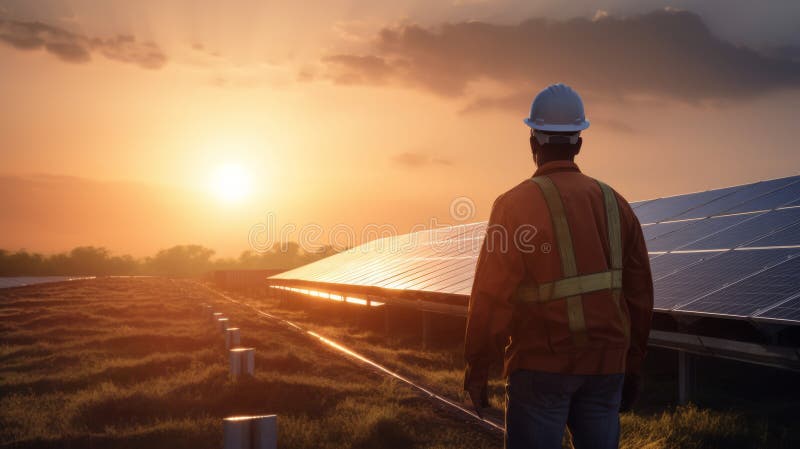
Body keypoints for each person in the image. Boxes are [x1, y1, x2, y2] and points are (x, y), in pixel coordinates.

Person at [463, 83, 654, 449]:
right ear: (579, 142)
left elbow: (491, 293)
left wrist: (478, 364)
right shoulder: (617, 205)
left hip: (540, 366)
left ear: (533, 143)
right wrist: (633, 363)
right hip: (606, 366)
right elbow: (640, 295)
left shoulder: (513, 206)